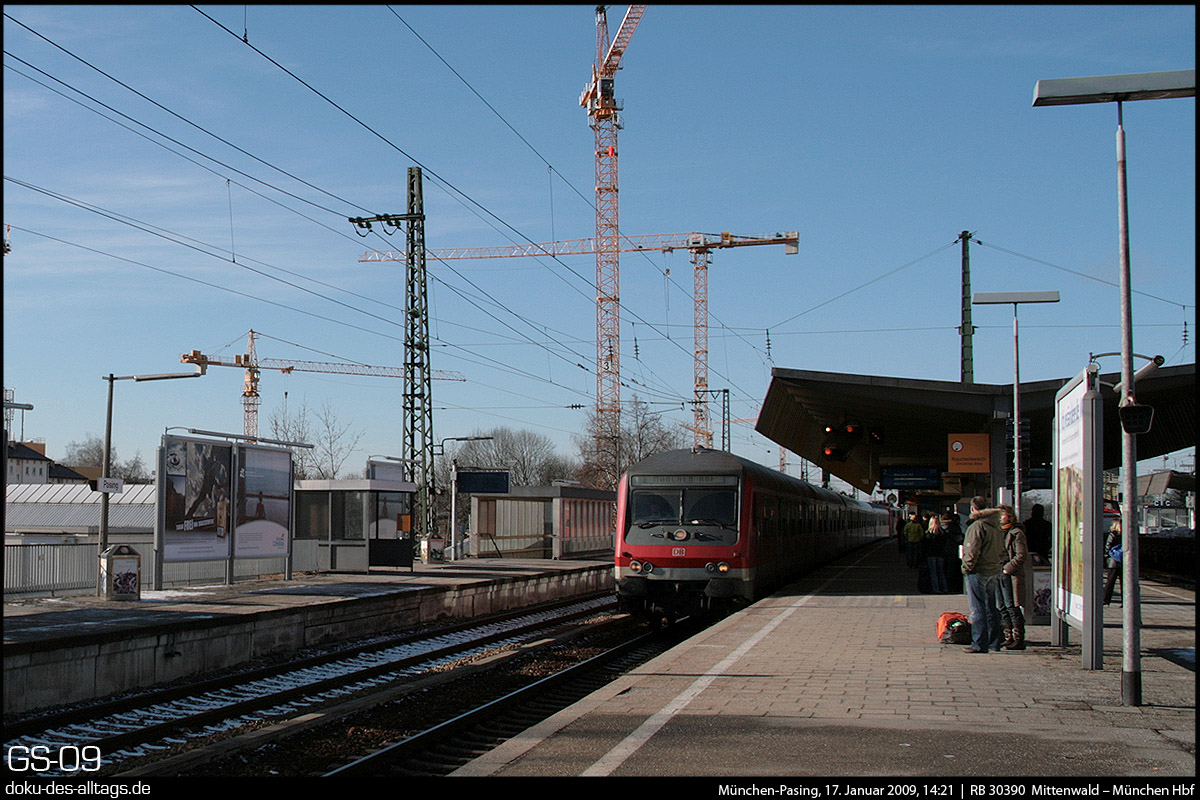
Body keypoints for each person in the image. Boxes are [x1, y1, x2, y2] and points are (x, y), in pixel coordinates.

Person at [961, 496, 1005, 653]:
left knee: (977, 608)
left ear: (973, 508)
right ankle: (994, 642)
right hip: (992, 571)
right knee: (991, 607)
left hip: (978, 571)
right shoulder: (996, 526)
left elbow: (971, 551)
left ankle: (979, 643)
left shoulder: (977, 527)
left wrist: (966, 568)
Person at [997, 504, 1029, 650]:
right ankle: (1008, 636)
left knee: (1012, 606)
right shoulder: (997, 532)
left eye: (1002, 514)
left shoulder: (1016, 533)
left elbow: (1021, 555)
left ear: (1009, 516)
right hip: (996, 572)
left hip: (1010, 574)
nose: (999, 518)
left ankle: (1018, 638)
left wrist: (1007, 569)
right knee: (1002, 606)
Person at [924, 513, 949, 594]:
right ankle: (944, 588)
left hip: (931, 555)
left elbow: (925, 545)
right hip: (941, 555)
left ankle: (936, 589)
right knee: (941, 572)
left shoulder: (928, 534)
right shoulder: (943, 534)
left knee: (933, 572)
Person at [941, 511, 965, 593]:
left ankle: (948, 587)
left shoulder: (942, 527)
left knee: (946, 570)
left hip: (944, 551)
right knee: (953, 571)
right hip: (953, 550)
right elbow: (959, 539)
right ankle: (954, 587)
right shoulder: (954, 527)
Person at [1102, 519, 1122, 605]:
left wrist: (1107, 557)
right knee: (1124, 583)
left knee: (1110, 582)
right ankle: (1125, 601)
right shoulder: (1126, 535)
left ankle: (1106, 599)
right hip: (1123, 562)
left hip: (1113, 562)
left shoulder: (1112, 534)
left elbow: (1108, 547)